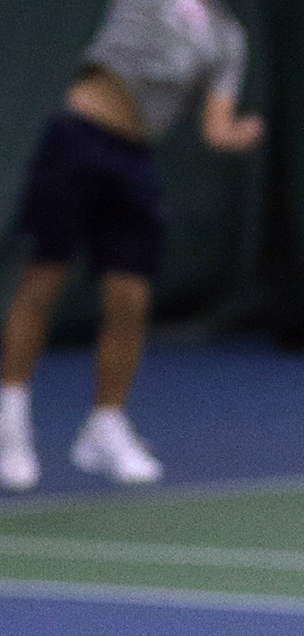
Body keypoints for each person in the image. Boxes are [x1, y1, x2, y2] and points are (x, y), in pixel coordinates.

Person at [0, 0, 263, 493]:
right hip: (76, 140)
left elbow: (215, 125)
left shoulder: (228, 40)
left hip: (135, 161)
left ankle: (105, 425)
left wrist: (234, 136)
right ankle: (9, 419)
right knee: (42, 282)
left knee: (130, 300)